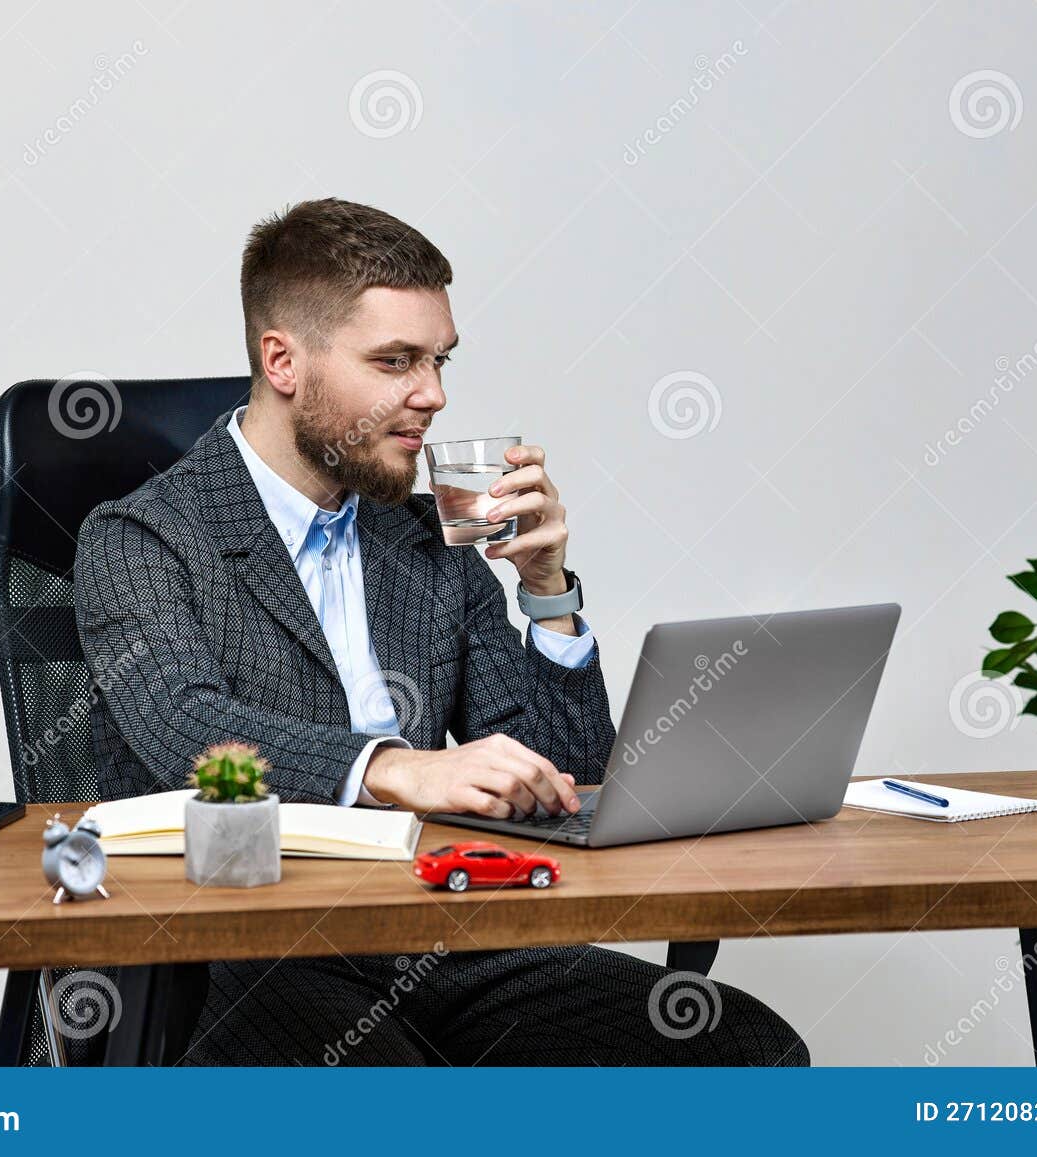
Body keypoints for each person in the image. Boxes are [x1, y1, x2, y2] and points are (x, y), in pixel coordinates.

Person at [73, 197, 807, 1066]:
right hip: (244, 948)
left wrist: (547, 593)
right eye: (395, 361)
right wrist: (401, 768)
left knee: (745, 1051)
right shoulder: (141, 535)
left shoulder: (427, 539)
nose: (434, 395)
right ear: (283, 360)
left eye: (439, 360)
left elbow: (568, 778)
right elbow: (185, 730)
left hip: (439, 932)